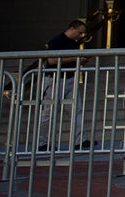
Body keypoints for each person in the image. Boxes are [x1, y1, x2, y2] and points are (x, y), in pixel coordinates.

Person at [36, 18, 89, 150]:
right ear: (72, 28)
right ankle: (43, 143)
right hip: (55, 79)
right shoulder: (56, 41)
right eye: (80, 32)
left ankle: (79, 140)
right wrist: (74, 58)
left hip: (70, 78)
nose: (81, 36)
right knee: (49, 112)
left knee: (77, 109)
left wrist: (79, 61)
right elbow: (52, 60)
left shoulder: (74, 43)